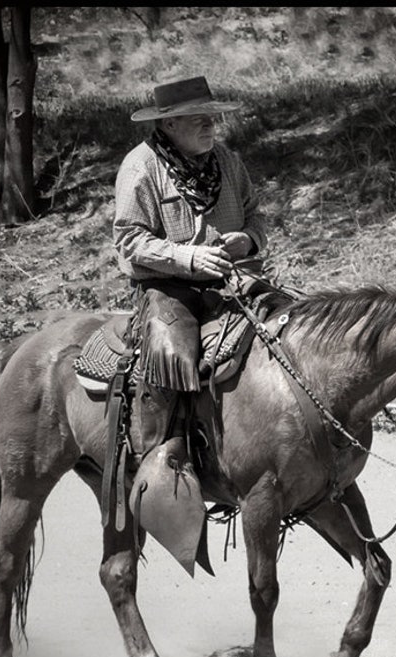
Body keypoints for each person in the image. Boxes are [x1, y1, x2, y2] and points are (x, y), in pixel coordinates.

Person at [112, 75, 267, 557]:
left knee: (285, 330)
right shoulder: (141, 167)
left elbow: (257, 216)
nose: (210, 124)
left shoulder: (227, 161)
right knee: (175, 352)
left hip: (232, 282)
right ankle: (163, 461)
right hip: (166, 288)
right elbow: (129, 243)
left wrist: (248, 240)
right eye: (199, 117)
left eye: (213, 115)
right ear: (170, 123)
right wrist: (189, 258)